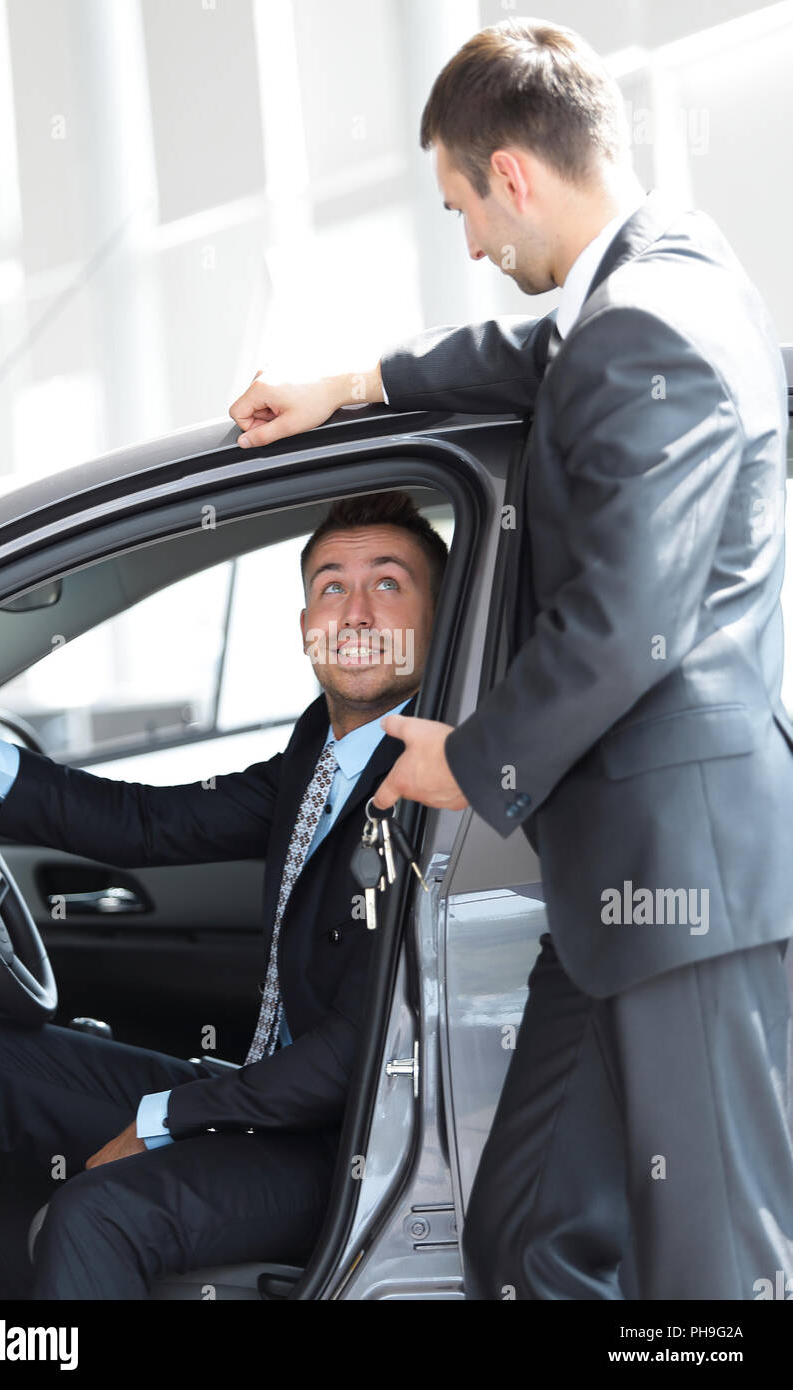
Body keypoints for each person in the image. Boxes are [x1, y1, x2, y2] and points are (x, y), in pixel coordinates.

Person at [228, 17, 793, 1300]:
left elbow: (618, 622)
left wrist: (465, 760)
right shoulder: (643, 293)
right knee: (528, 1236)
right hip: (619, 895)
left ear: (513, 176)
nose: (470, 243)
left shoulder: (651, 321)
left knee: (714, 1268)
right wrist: (353, 385)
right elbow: (527, 361)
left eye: (460, 209)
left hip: (684, 890)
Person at [0, 490, 447, 1299]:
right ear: (305, 623)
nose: (354, 610)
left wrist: (170, 1117)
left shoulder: (429, 784)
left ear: (436, 618)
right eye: (330, 586)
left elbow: (356, 1051)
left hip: (340, 1146)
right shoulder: (323, 747)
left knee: (95, 1213)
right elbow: (151, 825)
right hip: (266, 1107)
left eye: (389, 583)